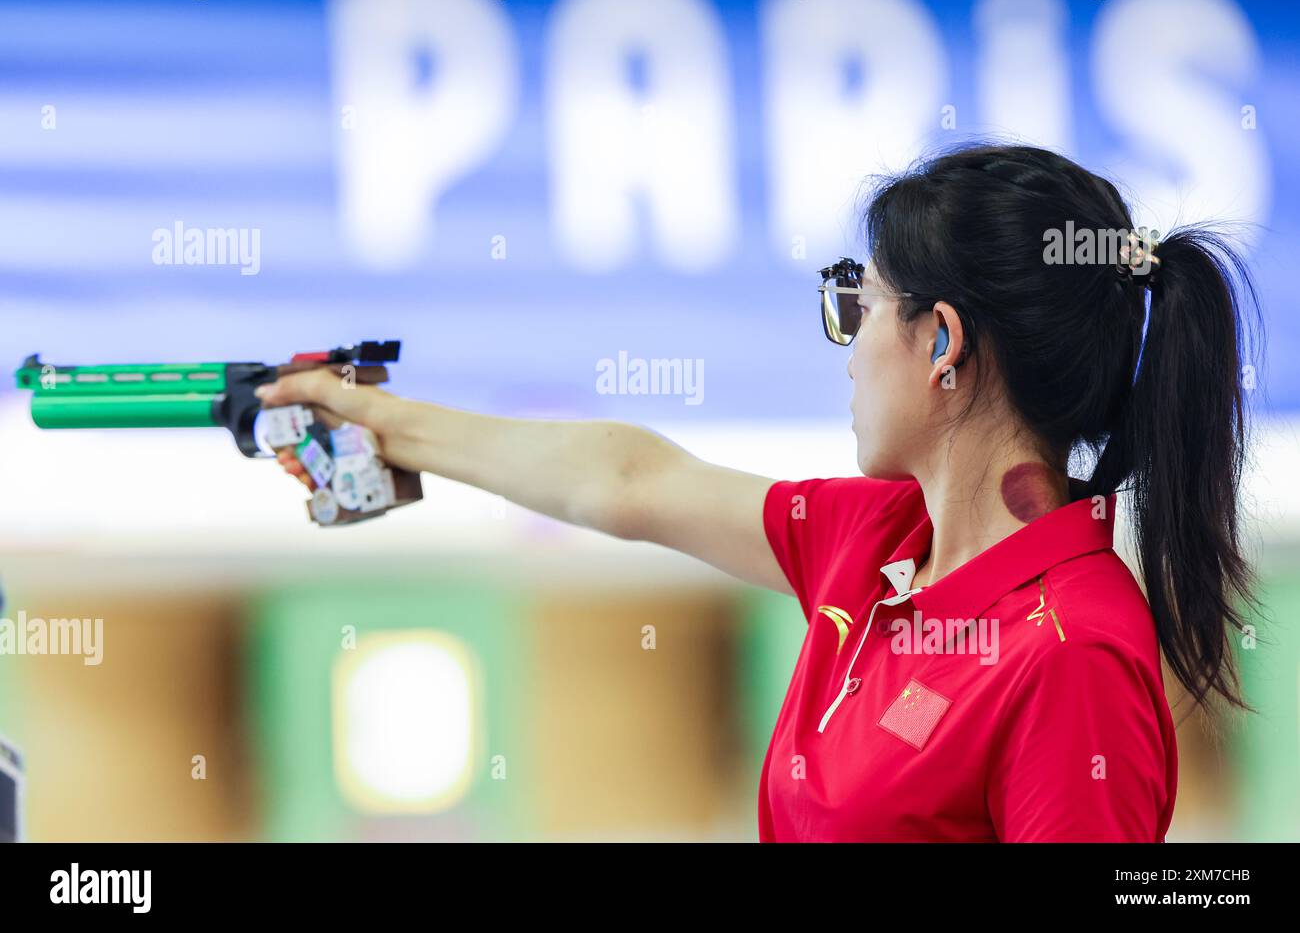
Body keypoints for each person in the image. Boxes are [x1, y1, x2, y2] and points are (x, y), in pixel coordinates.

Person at [256, 144, 1259, 842]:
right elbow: (630, 479)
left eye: (857, 307)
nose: (850, 347)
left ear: (940, 340)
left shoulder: (1068, 648)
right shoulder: (876, 540)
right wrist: (378, 423)